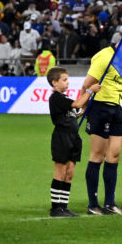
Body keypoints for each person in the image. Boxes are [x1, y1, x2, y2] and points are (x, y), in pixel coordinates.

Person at [73, 25, 122, 215]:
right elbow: (87, 84)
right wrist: (84, 106)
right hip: (100, 108)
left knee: (114, 155)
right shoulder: (104, 56)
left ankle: (109, 203)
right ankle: (93, 204)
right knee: (97, 155)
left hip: (117, 108)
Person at [45, 66, 82, 217]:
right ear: (54, 82)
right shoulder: (56, 97)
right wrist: (90, 91)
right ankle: (56, 208)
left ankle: (64, 207)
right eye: (64, 80)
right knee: (60, 172)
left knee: (69, 173)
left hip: (73, 137)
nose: (68, 83)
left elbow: (74, 112)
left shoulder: (64, 98)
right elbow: (77, 104)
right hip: (62, 138)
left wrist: (80, 113)